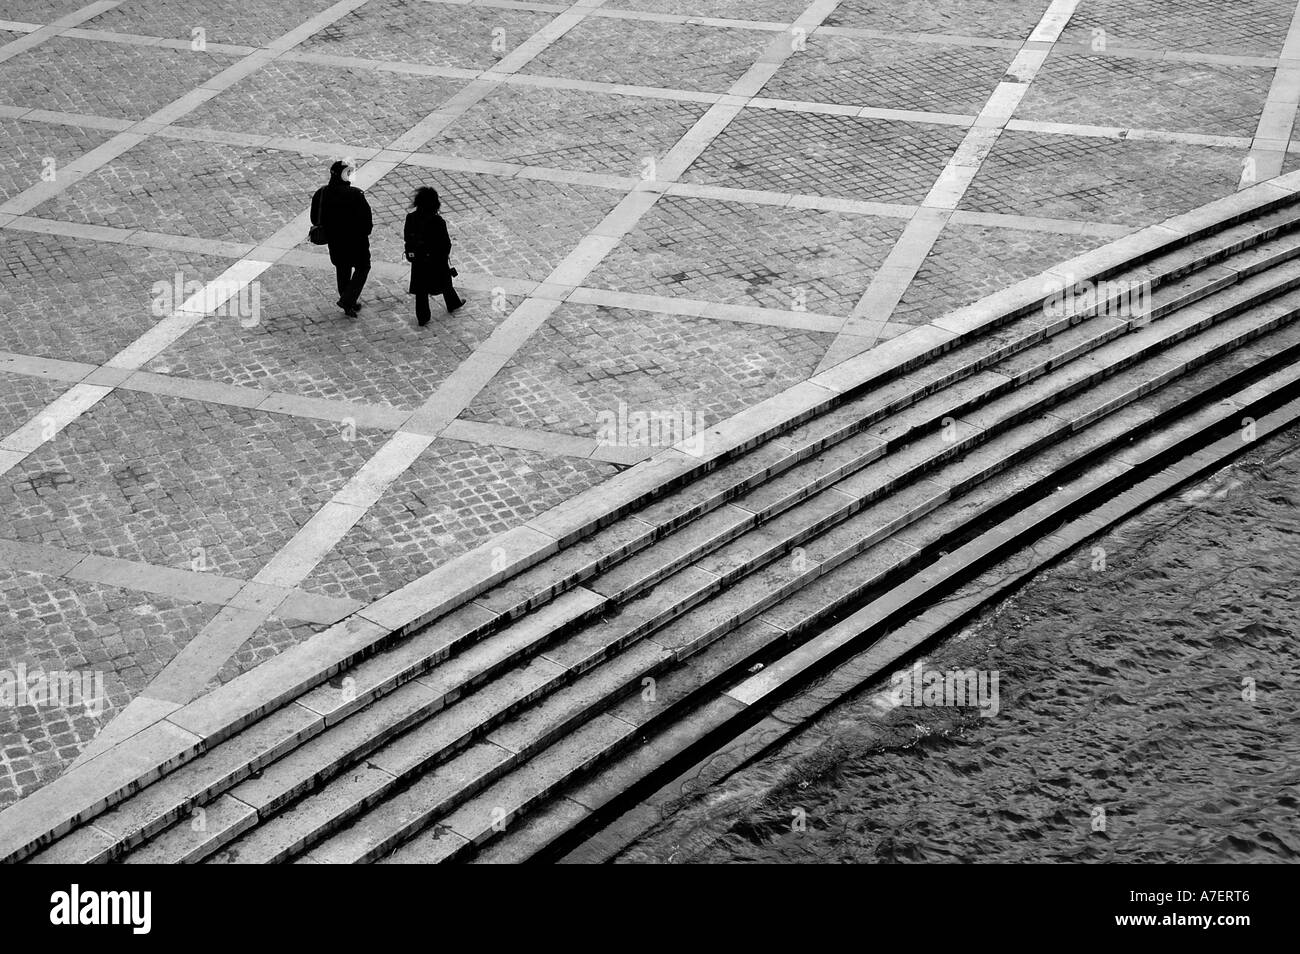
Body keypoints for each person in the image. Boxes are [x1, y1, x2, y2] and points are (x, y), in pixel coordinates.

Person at [310, 160, 372, 317]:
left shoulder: (321, 193)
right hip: (357, 241)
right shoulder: (356, 195)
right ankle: (348, 300)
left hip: (335, 241)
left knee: (342, 269)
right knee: (363, 267)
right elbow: (366, 221)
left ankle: (348, 302)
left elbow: (314, 218)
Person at [403, 186, 465, 326]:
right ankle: (452, 303)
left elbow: (408, 237)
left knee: (421, 289)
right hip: (436, 259)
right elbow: (445, 243)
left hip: (418, 259)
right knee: (444, 281)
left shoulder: (411, 217)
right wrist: (444, 256)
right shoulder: (437, 221)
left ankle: (423, 317)